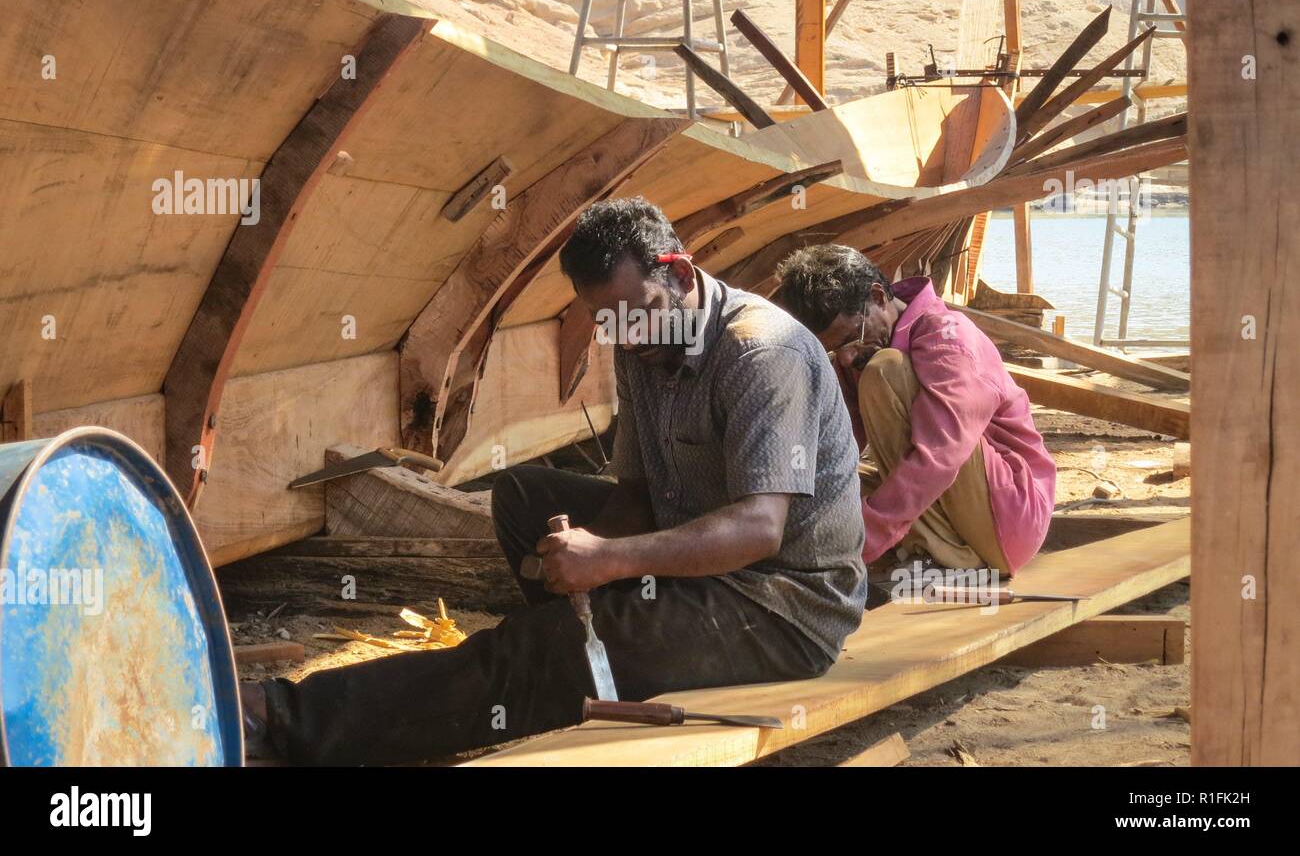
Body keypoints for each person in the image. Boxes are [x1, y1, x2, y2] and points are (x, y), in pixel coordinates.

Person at [240, 197, 866, 765]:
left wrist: (610, 559)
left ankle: (289, 717)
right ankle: (595, 656)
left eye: (638, 317)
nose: (627, 336)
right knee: (521, 496)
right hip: (706, 560)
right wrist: (581, 556)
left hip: (781, 604)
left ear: (678, 273)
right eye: (608, 322)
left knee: (533, 649)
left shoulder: (763, 353)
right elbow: (639, 497)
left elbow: (759, 528)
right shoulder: (640, 342)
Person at [771, 244, 1056, 576]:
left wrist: (862, 540)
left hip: (1009, 521)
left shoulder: (948, 335)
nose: (847, 358)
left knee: (885, 370)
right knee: (819, 490)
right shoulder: (863, 349)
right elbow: (837, 447)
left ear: (878, 297)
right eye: (832, 351)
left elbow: (941, 454)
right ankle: (931, 545)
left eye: (850, 338)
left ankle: (953, 555)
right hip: (959, 507)